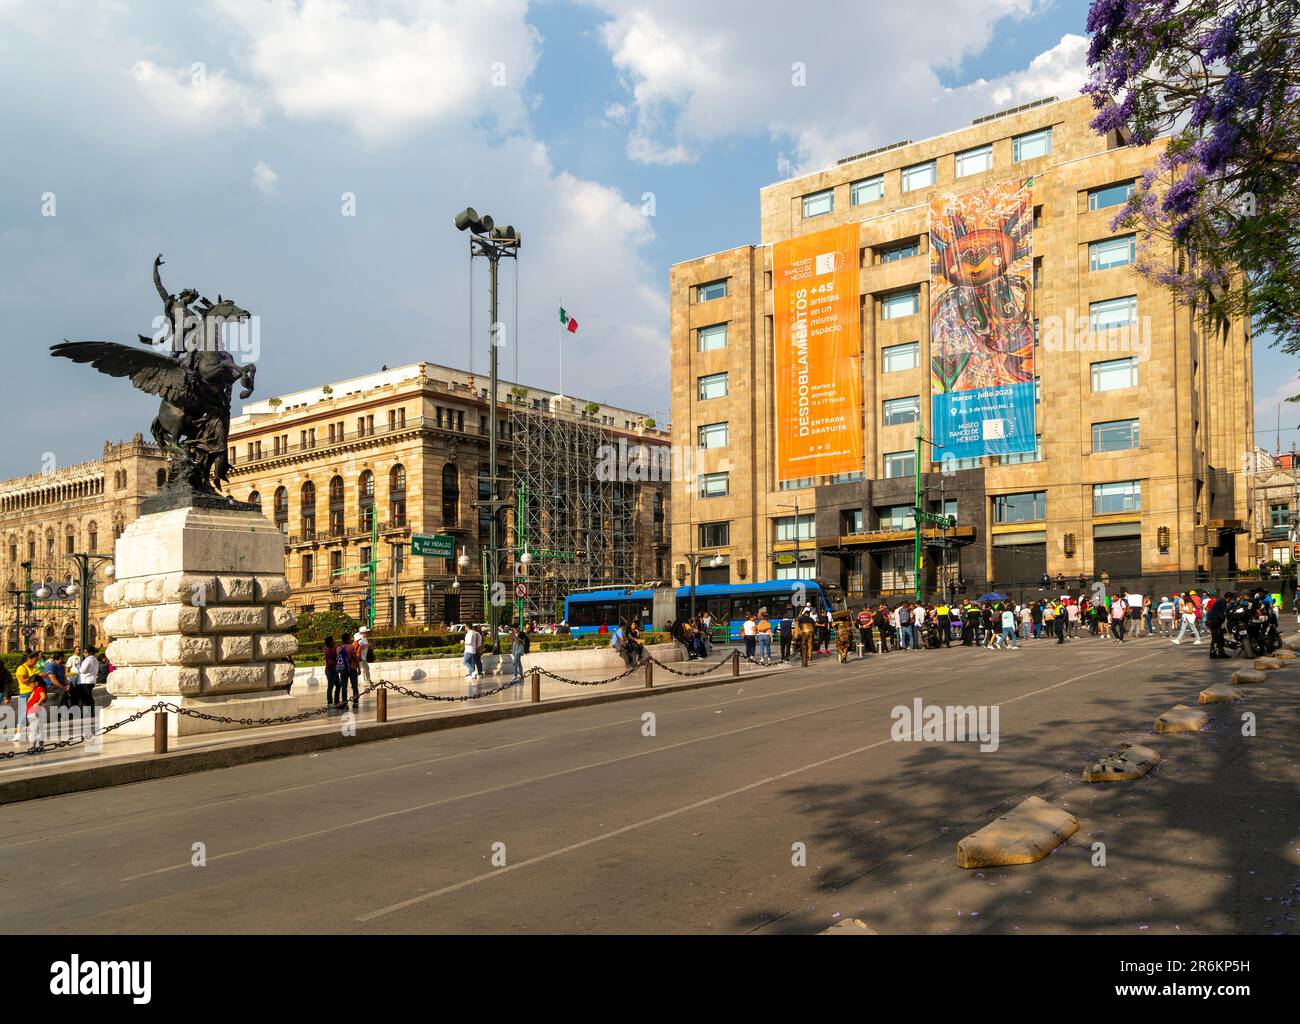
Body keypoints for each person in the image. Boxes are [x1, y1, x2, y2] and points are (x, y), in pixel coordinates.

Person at [74, 645, 98, 710]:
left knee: (87, 697)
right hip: (91, 680)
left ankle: (89, 711)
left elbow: (83, 670)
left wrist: (78, 667)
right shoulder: (95, 659)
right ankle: (90, 711)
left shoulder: (88, 659)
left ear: (90, 653)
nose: (84, 654)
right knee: (88, 697)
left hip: (86, 680)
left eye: (85, 652)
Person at [1207, 591, 1230, 658]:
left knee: (1220, 638)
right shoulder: (1222, 602)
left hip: (1213, 621)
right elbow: (1224, 612)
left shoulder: (1219, 600)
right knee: (1216, 638)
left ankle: (1221, 653)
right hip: (1214, 622)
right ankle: (1212, 653)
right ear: (1229, 598)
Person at [323, 636, 343, 709]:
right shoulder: (329, 651)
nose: (334, 641)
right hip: (331, 670)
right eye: (333, 640)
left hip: (333, 670)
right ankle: (330, 702)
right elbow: (330, 662)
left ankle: (336, 701)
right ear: (330, 642)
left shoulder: (331, 649)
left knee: (338, 685)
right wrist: (336, 668)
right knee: (330, 686)